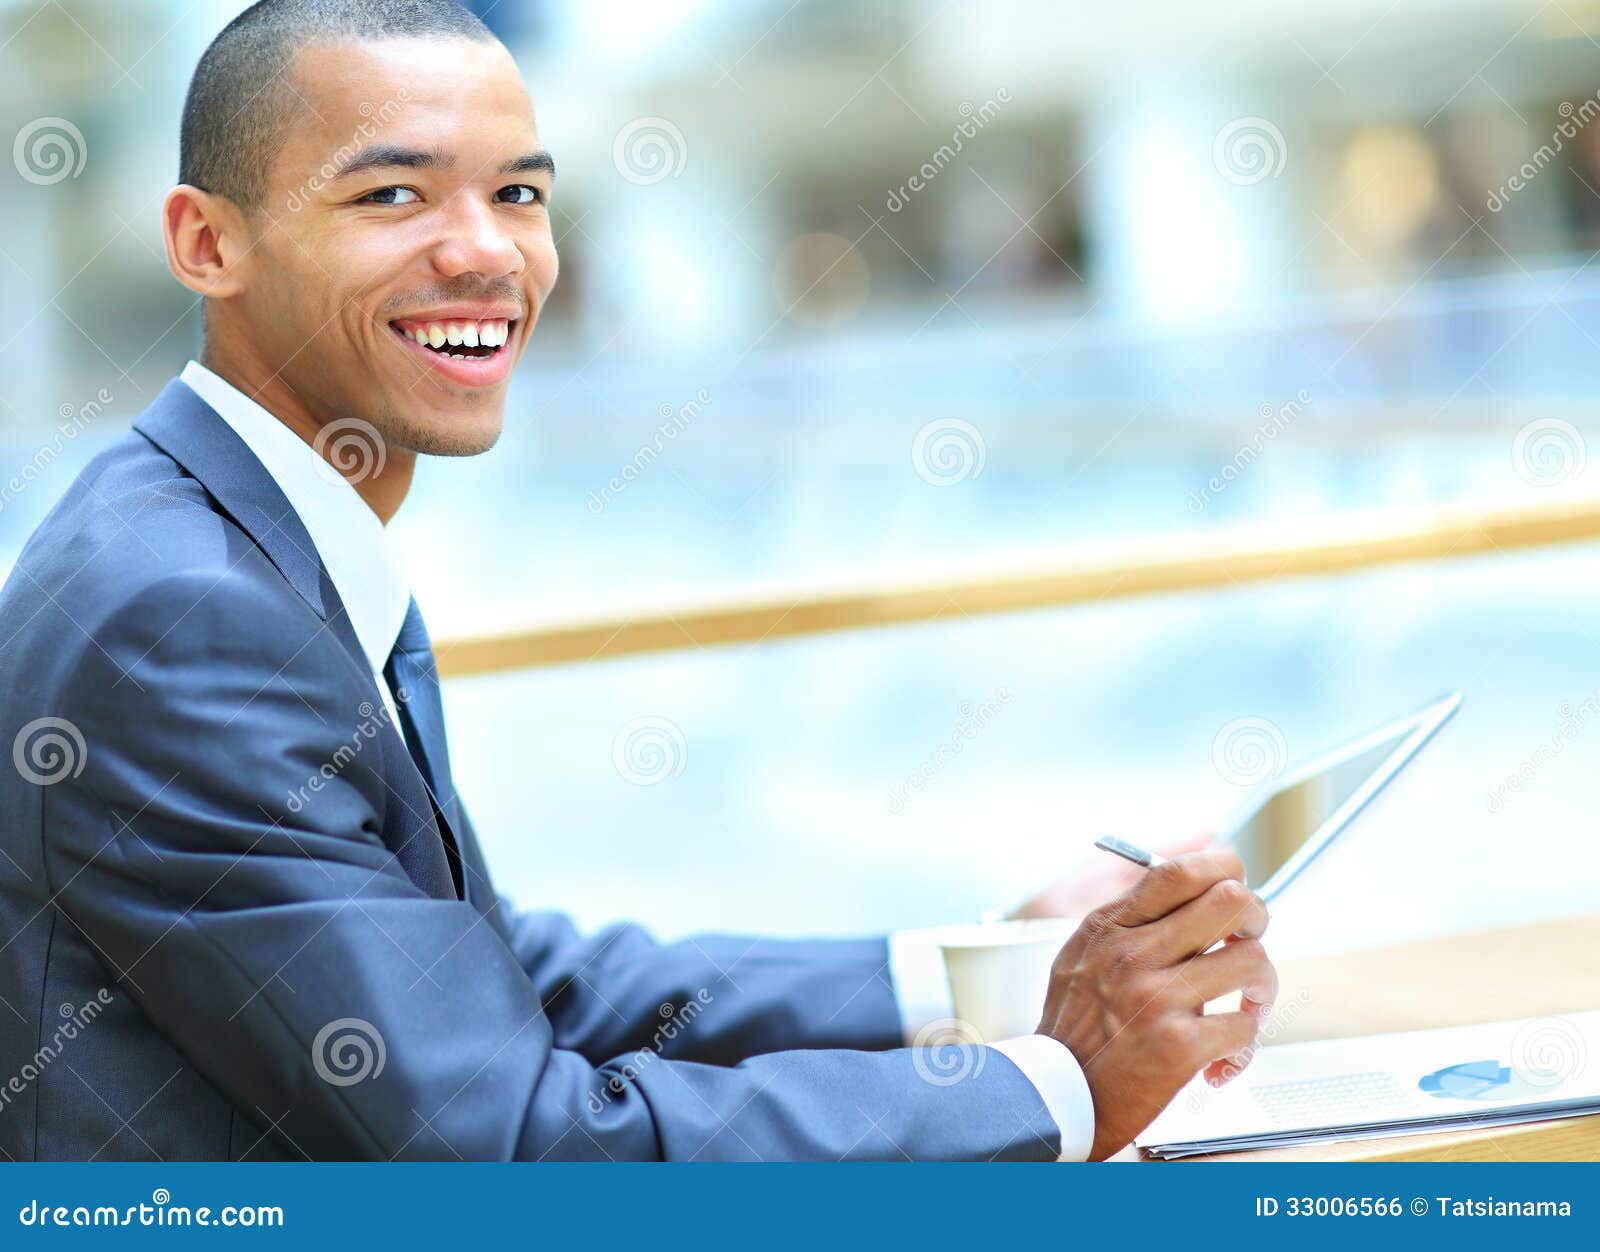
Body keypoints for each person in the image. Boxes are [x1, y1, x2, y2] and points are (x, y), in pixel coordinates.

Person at [0, 0, 1275, 1162]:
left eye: (519, 193)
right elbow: (513, 1146)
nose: (485, 252)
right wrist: (1055, 1084)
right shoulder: (176, 619)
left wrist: (983, 963)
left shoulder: (239, 535)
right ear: (207, 242)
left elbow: (501, 976)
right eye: (393, 195)